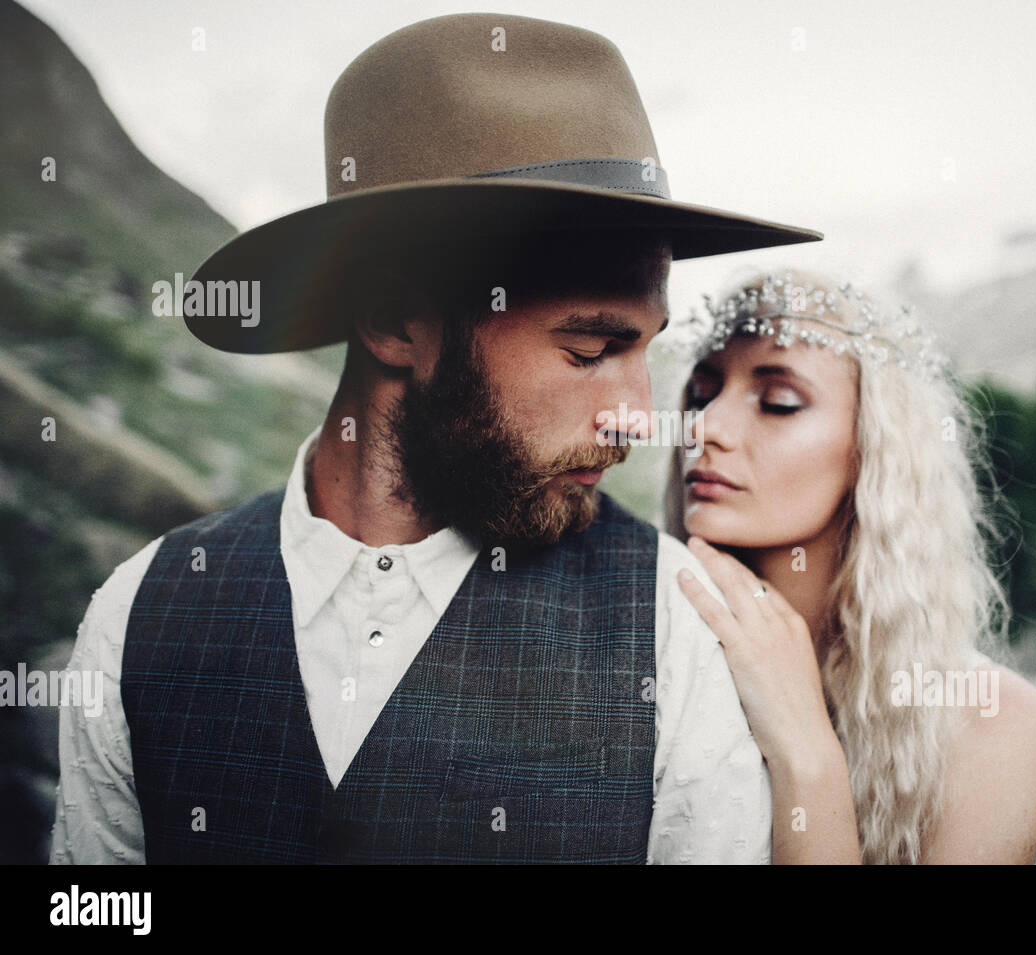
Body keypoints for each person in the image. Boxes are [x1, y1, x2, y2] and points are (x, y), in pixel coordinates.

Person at [49, 13, 825, 864]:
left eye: (645, 348)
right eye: (591, 350)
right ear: (391, 319)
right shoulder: (141, 613)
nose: (638, 415)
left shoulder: (674, 629)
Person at [667, 268, 1036, 864]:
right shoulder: (651, 657)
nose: (704, 427)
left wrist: (806, 752)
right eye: (702, 394)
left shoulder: (992, 721)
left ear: (871, 449)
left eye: (777, 403)